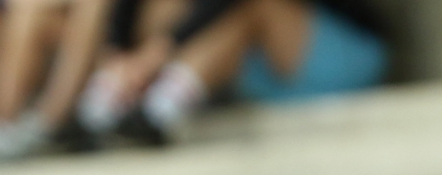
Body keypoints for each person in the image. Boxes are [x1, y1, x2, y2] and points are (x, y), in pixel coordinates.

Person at [77, 0, 386, 142]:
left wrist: (159, 51)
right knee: (166, 8)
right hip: (267, 76)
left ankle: (156, 111)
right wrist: (118, 51)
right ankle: (118, 102)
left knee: (257, 6)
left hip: (341, 59)